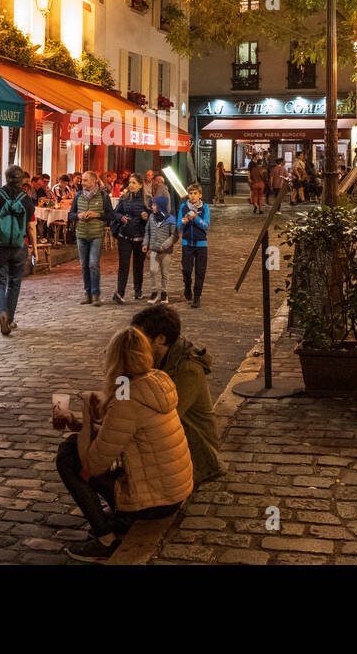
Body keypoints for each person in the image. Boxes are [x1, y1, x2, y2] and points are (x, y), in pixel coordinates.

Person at [55, 325, 194, 562]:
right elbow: (118, 434)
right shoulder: (156, 380)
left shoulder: (127, 398)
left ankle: (105, 540)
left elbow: (94, 464)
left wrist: (87, 417)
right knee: (75, 444)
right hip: (174, 490)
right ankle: (121, 518)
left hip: (156, 502)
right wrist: (79, 424)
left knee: (68, 454)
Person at [131, 305, 223, 486]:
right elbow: (124, 398)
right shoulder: (151, 358)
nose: (135, 344)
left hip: (197, 450)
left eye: (140, 338)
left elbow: (165, 419)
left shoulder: (188, 368)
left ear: (160, 339)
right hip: (171, 442)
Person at [0, 164, 36, 336]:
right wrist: (34, 248)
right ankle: (10, 318)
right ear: (22, 180)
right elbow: (31, 226)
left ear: (6, 178)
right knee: (14, 282)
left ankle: (2, 312)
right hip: (19, 245)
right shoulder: (26, 199)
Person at [68, 171, 113, 305]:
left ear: (94, 181)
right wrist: (78, 216)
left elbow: (110, 215)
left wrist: (97, 214)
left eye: (86, 180)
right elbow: (71, 214)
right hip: (81, 234)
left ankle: (95, 295)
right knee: (84, 265)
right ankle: (87, 293)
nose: (83, 183)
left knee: (93, 264)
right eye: (82, 180)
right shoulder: (78, 196)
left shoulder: (103, 196)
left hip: (96, 234)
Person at [111, 174, 149, 304]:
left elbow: (154, 217)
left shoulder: (147, 199)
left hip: (140, 237)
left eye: (133, 183)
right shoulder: (124, 198)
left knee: (138, 265)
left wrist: (146, 216)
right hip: (125, 236)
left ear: (140, 185)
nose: (130, 185)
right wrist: (120, 217)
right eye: (130, 182)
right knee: (124, 265)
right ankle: (120, 293)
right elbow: (115, 212)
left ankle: (138, 291)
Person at [178, 183, 210, 308]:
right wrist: (184, 222)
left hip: (201, 244)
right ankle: (187, 286)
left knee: (200, 271)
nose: (192, 196)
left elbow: (206, 226)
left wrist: (196, 218)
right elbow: (179, 226)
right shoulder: (183, 207)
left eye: (195, 193)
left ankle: (197, 296)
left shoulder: (205, 208)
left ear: (200, 195)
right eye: (190, 193)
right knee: (186, 269)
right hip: (187, 243)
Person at [141, 194, 177, 304]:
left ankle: (164, 292)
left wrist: (164, 245)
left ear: (161, 205)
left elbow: (174, 235)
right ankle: (154, 292)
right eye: (152, 204)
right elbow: (147, 231)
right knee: (152, 270)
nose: (152, 207)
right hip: (154, 249)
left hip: (165, 251)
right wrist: (145, 244)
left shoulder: (170, 219)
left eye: (155, 205)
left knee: (164, 273)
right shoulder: (151, 217)